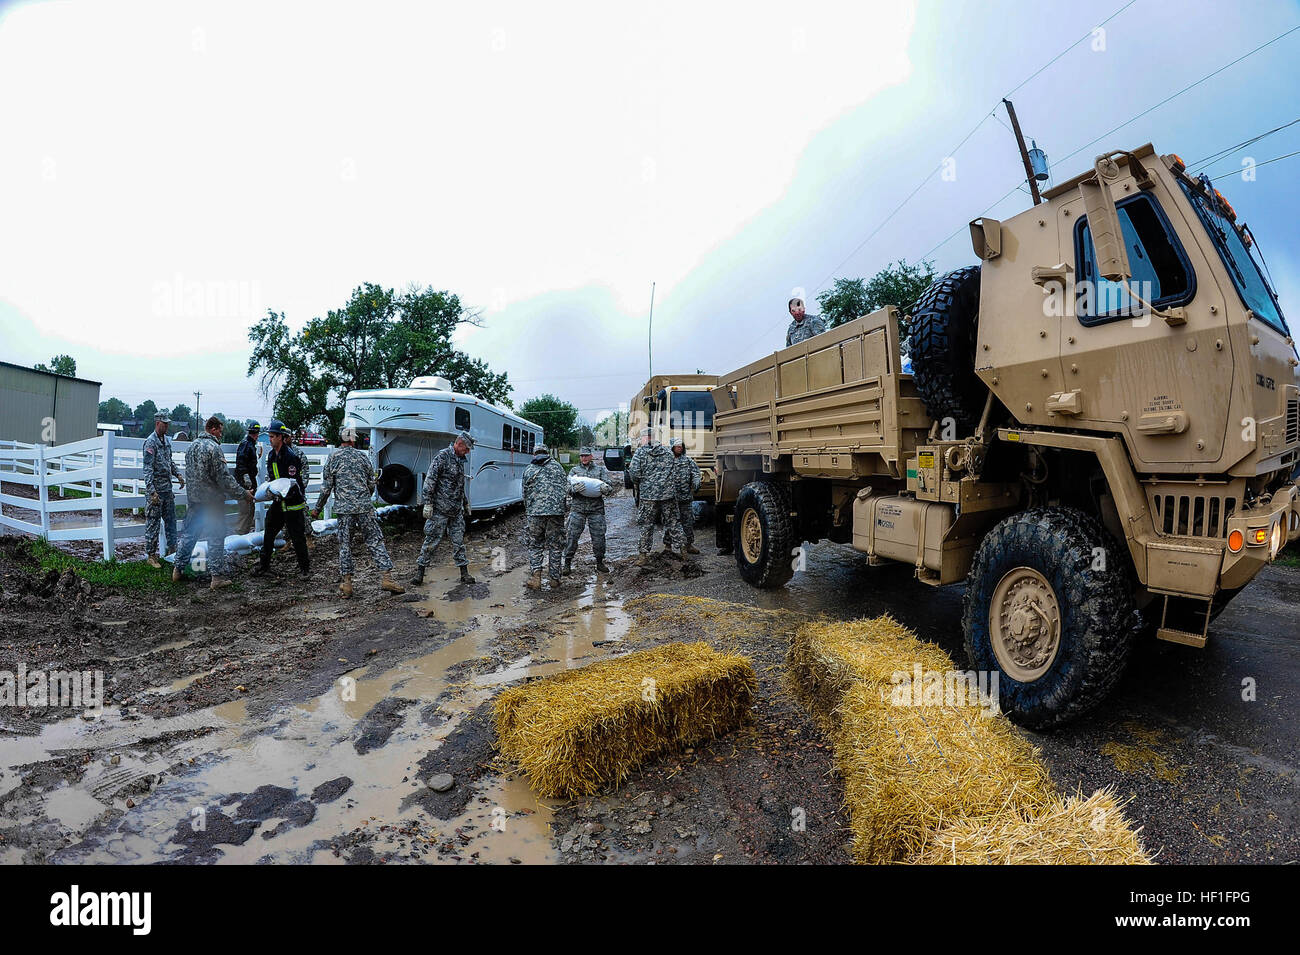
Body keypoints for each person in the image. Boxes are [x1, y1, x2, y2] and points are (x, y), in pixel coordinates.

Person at [311, 426, 404, 598]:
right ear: (353, 440)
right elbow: (371, 483)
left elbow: (326, 488)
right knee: (375, 540)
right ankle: (386, 577)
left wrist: (317, 509)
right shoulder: (362, 457)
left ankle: (347, 583)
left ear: (341, 439)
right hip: (364, 507)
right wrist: (365, 497)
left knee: (345, 545)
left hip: (344, 509)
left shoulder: (333, 458)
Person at [173, 416, 254, 590]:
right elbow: (224, 479)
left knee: (190, 534)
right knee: (216, 537)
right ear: (213, 429)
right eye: (220, 431)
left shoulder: (192, 447)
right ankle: (216, 577)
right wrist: (243, 494)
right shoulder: (214, 448)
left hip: (194, 500)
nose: (221, 435)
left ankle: (178, 569)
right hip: (211, 501)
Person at [411, 430, 475, 585]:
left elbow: (459, 485)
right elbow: (430, 481)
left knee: (459, 542)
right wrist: (428, 503)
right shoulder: (443, 457)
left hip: (455, 510)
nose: (467, 452)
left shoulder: (460, 460)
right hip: (439, 509)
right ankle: (420, 572)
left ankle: (464, 573)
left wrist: (465, 502)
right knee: (431, 541)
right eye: (466, 449)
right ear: (459, 444)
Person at [252, 419, 310, 578]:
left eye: (272, 437)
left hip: (292, 503)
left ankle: (305, 569)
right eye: (269, 436)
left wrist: (283, 493)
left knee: (297, 536)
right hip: (278, 502)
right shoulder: (271, 456)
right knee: (269, 533)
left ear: (281, 437)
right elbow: (272, 478)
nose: (269, 439)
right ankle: (264, 566)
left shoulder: (290, 457)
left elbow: (292, 483)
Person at [627, 427, 682, 564]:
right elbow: (675, 471)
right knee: (673, 522)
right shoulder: (668, 452)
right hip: (668, 495)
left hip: (648, 496)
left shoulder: (640, 453)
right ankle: (683, 551)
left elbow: (634, 474)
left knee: (646, 525)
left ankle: (643, 556)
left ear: (646, 438)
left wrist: (643, 483)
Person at [563, 446, 616, 574]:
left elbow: (609, 486)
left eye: (586, 455)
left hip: (596, 509)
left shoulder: (600, 470)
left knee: (599, 537)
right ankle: (567, 563)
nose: (584, 458)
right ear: (580, 457)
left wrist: (606, 489)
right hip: (578, 509)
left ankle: (599, 562)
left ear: (591, 456)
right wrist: (573, 490)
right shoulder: (574, 471)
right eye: (582, 456)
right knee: (572, 536)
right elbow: (566, 488)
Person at [522, 443, 568, 589]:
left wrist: (529, 508)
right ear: (548, 453)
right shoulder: (558, 467)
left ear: (534, 454)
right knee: (555, 545)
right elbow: (565, 488)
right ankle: (555, 579)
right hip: (556, 513)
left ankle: (536, 579)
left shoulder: (529, 469)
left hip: (535, 513)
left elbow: (524, 493)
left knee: (535, 544)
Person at [142, 411, 184, 568]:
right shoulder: (150, 442)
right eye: (164, 423)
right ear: (157, 422)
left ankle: (172, 551)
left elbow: (169, 461)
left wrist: (178, 474)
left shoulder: (166, 441)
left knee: (171, 522)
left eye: (168, 423)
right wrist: (151, 491)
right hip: (156, 491)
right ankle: (151, 555)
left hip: (167, 490)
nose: (167, 426)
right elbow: (147, 469)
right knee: (153, 523)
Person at [666, 436, 702, 555]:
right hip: (671, 498)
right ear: (672, 447)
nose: (680, 448)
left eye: (681, 446)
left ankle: (689, 544)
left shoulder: (687, 461)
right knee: (670, 522)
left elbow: (696, 473)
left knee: (688, 521)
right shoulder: (666, 461)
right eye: (677, 446)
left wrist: (696, 481)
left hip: (685, 497)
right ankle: (668, 546)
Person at [233, 420, 261, 535]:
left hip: (248, 483)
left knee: (250, 511)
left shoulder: (250, 445)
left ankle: (244, 536)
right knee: (245, 511)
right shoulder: (246, 445)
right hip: (245, 485)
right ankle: (239, 536)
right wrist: (247, 482)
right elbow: (241, 465)